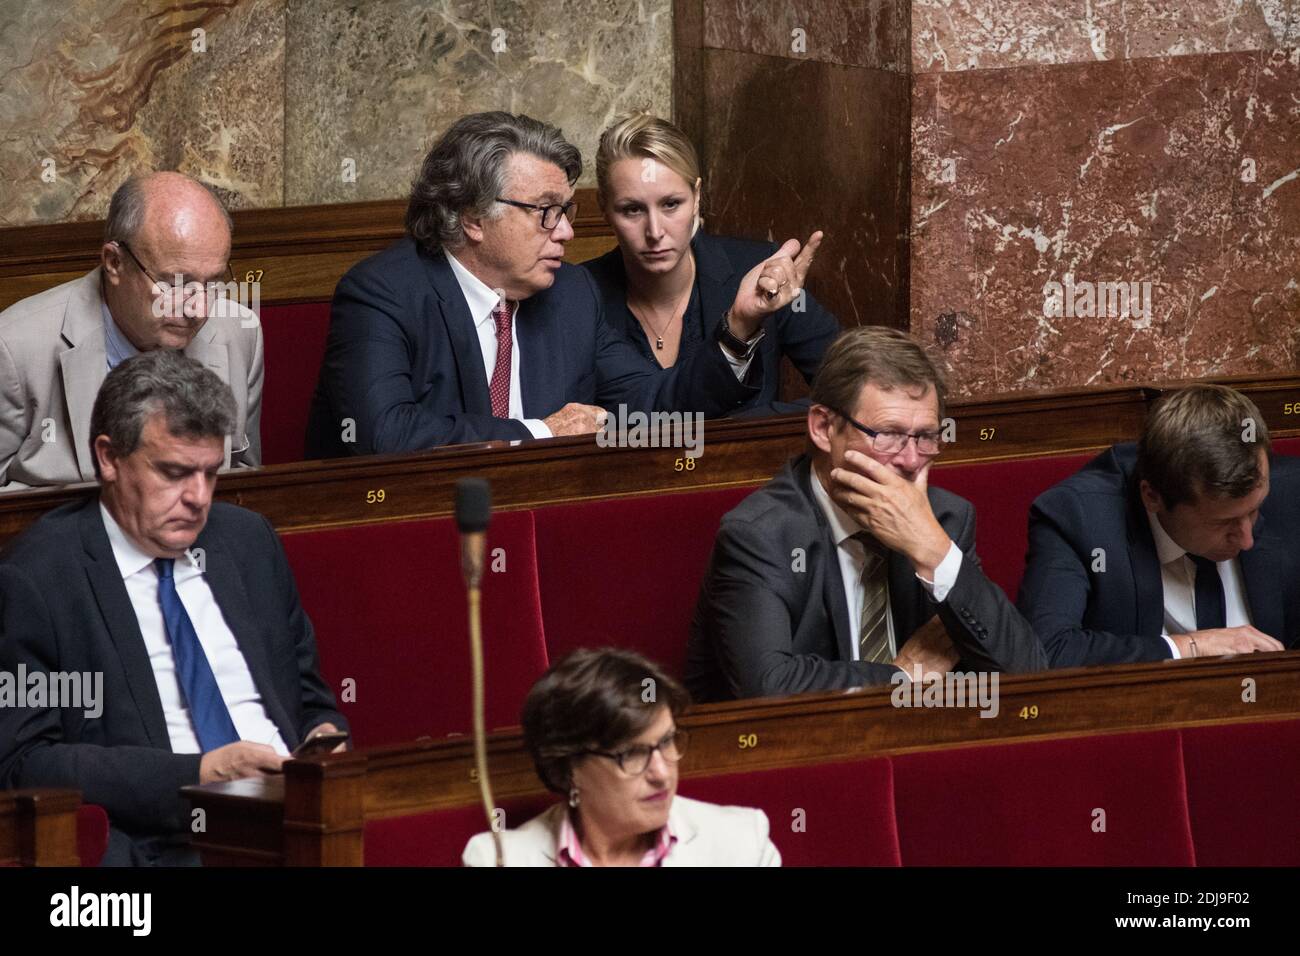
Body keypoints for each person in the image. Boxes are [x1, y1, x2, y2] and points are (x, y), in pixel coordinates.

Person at [305, 111, 820, 458]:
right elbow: (382, 434)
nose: (568, 232)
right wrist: (544, 433)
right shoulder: (382, 292)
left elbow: (655, 405)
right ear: (473, 218)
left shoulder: (571, 294)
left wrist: (737, 328)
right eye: (546, 213)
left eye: (566, 211)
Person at [0, 350, 344, 866]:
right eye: (175, 472)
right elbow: (25, 766)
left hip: (300, 823)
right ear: (109, 458)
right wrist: (198, 773)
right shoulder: (39, 579)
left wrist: (323, 741)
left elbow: (309, 698)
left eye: (210, 473)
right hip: (165, 844)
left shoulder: (248, 543)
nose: (198, 497)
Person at [685, 326, 1046, 701]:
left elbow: (1029, 675)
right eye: (888, 434)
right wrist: (900, 678)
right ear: (824, 428)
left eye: (926, 436)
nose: (910, 460)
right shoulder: (761, 534)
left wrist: (934, 552)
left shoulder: (943, 519)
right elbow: (768, 687)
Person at [0, 171, 262, 491]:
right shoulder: (14, 347)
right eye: (175, 284)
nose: (199, 310)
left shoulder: (240, 333)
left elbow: (246, 488)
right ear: (114, 262)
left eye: (212, 283)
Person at [1018, 383, 1296, 667]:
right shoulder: (1080, 517)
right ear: (1152, 497)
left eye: (1253, 511)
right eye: (1221, 522)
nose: (1247, 539)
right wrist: (1191, 646)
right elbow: (1044, 652)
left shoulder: (1292, 493)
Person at [584, 111, 838, 416]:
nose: (655, 232)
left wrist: (757, 436)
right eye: (632, 209)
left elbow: (857, 384)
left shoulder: (761, 270)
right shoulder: (579, 295)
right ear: (604, 208)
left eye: (671, 204)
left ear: (697, 196)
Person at [463, 648, 780, 866]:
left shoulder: (740, 842)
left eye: (667, 741)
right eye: (632, 754)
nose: (661, 773)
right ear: (568, 768)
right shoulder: (498, 858)